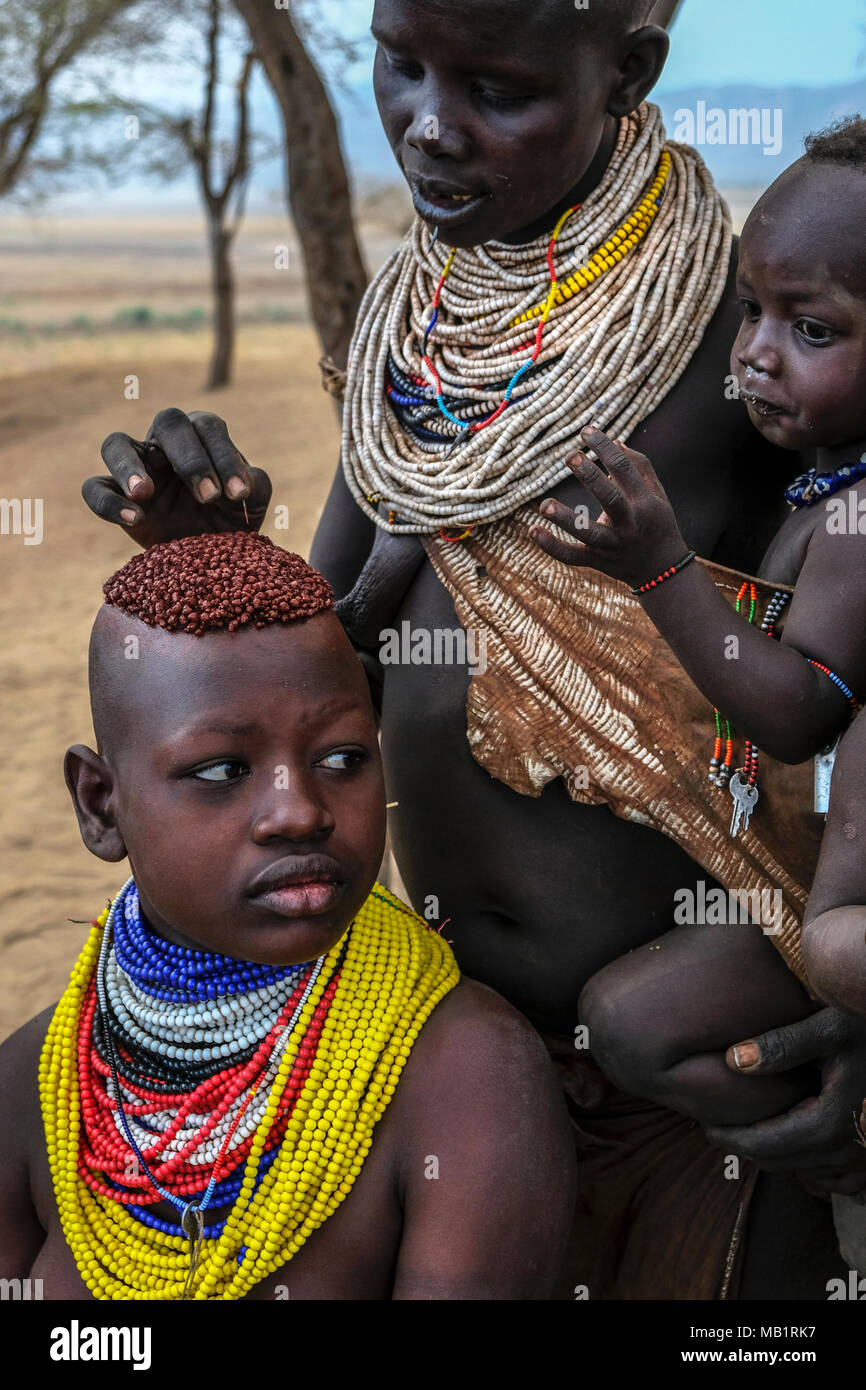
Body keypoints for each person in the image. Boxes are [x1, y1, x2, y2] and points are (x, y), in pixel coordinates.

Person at [78, 0, 866, 1297]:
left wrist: (849, 985)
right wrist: (202, 559)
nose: (429, 126)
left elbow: (835, 667)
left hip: (707, 1078)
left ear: (626, 70)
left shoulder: (746, 342)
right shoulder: (422, 349)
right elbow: (327, 666)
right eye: (399, 66)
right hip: (454, 1058)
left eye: (495, 88)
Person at [0, 532, 574, 1301]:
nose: (300, 812)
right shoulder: (42, 1079)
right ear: (101, 806)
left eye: (340, 758)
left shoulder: (463, 1076)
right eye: (223, 772)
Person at [547, 123, 866, 1136]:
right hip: (793, 866)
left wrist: (659, 569)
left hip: (830, 899)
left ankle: (835, 1163)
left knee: (631, 1024)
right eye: (749, 311)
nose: (757, 356)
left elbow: (797, 708)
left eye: (810, 328)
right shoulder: (825, 483)